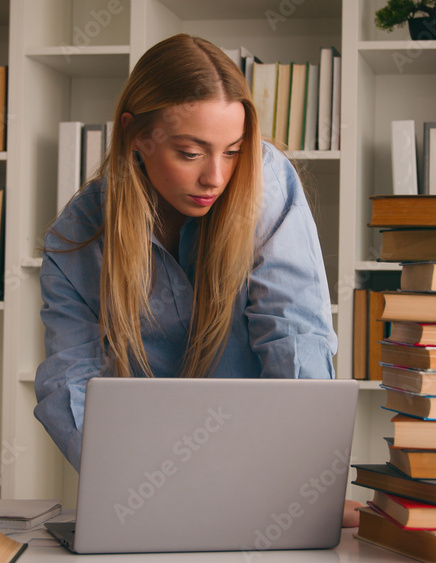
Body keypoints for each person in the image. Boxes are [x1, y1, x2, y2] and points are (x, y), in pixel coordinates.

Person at [33, 33, 360, 526]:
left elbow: (294, 335)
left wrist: (304, 483)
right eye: (191, 153)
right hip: (143, 485)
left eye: (232, 151)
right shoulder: (76, 237)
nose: (217, 177)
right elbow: (68, 383)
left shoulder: (266, 183)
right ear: (135, 137)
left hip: (268, 479)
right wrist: (137, 489)